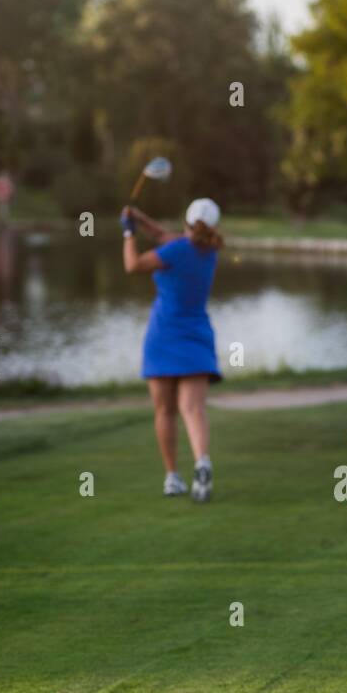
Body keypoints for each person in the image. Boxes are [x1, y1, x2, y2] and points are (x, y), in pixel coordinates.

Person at [120, 198, 224, 501]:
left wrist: (128, 233)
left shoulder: (177, 249)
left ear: (187, 222)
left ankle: (172, 478)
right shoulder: (210, 251)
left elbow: (132, 265)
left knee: (165, 411)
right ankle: (202, 463)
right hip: (196, 338)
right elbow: (164, 236)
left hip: (164, 336)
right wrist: (139, 217)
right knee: (193, 409)